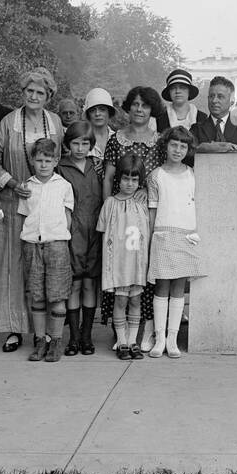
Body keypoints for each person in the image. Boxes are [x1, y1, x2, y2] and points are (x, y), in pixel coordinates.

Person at [0, 67, 64, 351]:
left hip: (44, 207)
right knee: (12, 266)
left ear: (48, 96)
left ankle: (41, 332)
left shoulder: (54, 123)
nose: (33, 96)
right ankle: (13, 329)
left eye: (40, 92)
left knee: (41, 268)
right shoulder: (8, 121)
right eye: (29, 91)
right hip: (12, 203)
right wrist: (10, 182)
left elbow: (60, 160)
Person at [102, 86, 165, 350]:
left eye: (145, 105)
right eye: (136, 104)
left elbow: (162, 177)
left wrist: (147, 195)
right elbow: (107, 178)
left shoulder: (159, 139)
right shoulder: (116, 139)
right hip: (120, 213)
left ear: (152, 110)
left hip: (148, 212)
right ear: (129, 107)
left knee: (143, 267)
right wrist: (110, 206)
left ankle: (142, 331)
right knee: (119, 267)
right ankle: (120, 334)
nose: (140, 110)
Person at [147, 125, 205, 358]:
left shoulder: (192, 174)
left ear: (188, 149)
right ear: (165, 146)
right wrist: (151, 237)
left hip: (185, 236)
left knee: (179, 288)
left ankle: (172, 340)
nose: (178, 149)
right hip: (162, 235)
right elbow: (152, 211)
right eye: (174, 144)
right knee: (162, 287)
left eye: (183, 146)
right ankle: (159, 339)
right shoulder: (156, 176)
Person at [18, 137, 75, 362]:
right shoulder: (27, 187)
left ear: (56, 160)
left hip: (57, 245)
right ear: (32, 160)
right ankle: (40, 340)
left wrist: (58, 238)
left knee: (58, 295)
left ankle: (56, 340)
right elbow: (24, 216)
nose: (43, 164)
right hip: (32, 245)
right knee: (37, 296)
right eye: (39, 160)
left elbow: (68, 217)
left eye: (48, 160)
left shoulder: (63, 186)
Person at [97, 151, 151, 361]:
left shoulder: (143, 203)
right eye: (126, 179)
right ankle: (121, 342)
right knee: (119, 302)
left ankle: (133, 341)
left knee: (136, 300)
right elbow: (102, 230)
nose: (130, 184)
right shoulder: (110, 203)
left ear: (140, 181)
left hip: (137, 262)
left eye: (134, 179)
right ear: (118, 179)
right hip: (118, 263)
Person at [59, 121, 103, 355]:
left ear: (91, 145)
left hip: (94, 231)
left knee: (89, 284)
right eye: (75, 143)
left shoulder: (97, 167)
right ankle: (73, 338)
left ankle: (87, 337)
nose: (79, 147)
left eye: (85, 143)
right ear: (67, 144)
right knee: (74, 284)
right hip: (72, 232)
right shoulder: (60, 168)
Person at [193, 76, 237, 152]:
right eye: (211, 96)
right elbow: (189, 149)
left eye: (220, 97)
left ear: (232, 101)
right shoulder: (197, 128)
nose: (214, 100)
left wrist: (226, 148)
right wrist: (206, 147)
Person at [81, 87, 116, 176]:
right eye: (93, 110)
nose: (97, 114)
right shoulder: (80, 139)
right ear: (88, 115)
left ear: (109, 112)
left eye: (102, 109)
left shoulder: (118, 139)